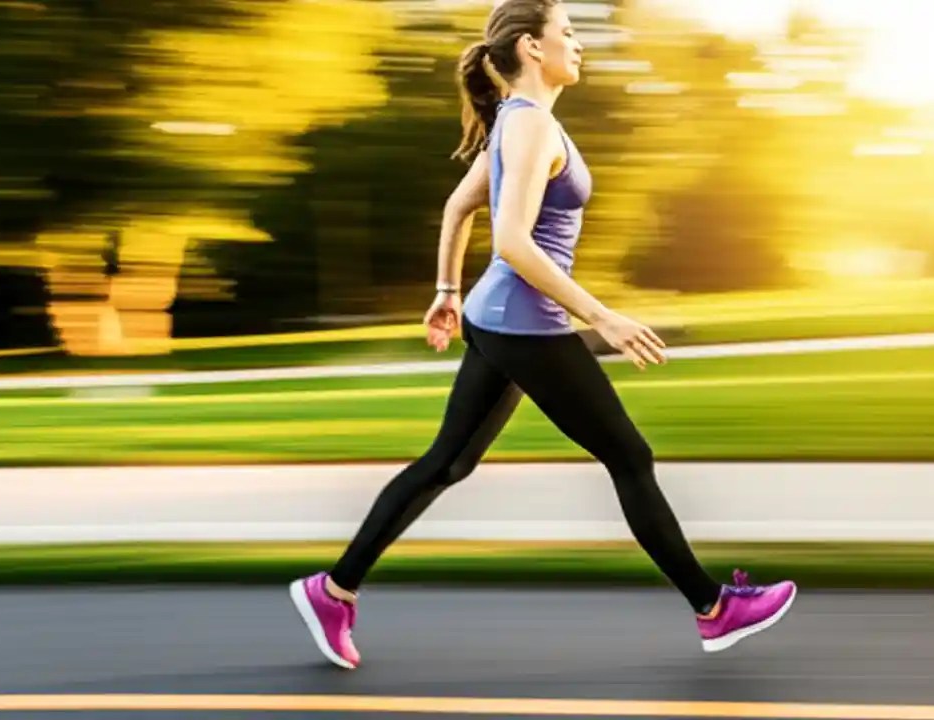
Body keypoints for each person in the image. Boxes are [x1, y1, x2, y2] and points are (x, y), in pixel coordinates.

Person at [289, 0, 796, 670]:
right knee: (628, 455)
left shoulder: (523, 122)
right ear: (531, 47)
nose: (578, 44)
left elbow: (459, 204)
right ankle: (713, 609)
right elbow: (512, 241)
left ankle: (333, 590)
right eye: (568, 32)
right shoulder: (527, 127)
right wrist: (602, 316)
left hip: (501, 320)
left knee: (450, 461)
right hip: (525, 323)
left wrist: (446, 293)